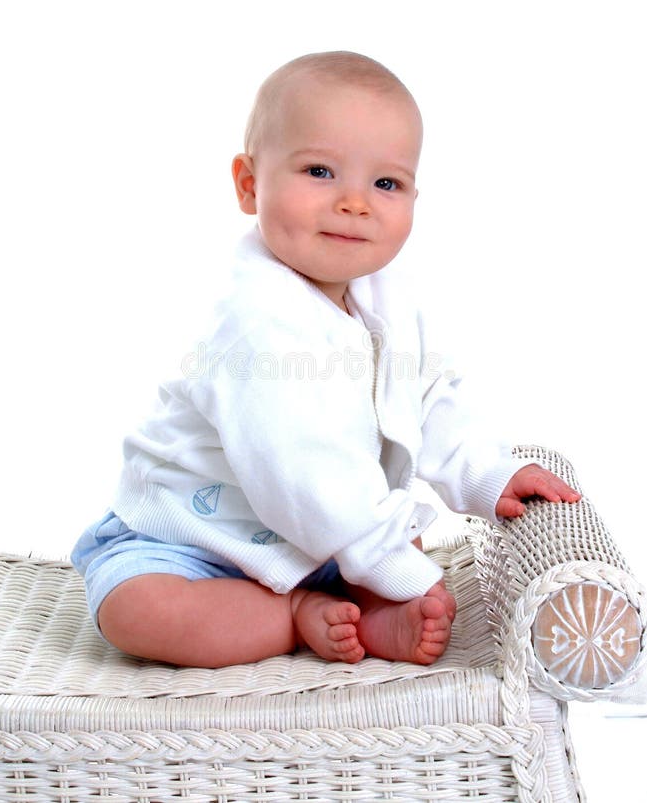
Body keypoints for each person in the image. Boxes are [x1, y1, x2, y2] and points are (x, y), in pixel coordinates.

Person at [72, 51, 580, 669]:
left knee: (386, 529)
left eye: (385, 184)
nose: (355, 203)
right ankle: (290, 616)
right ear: (249, 184)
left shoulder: (387, 295)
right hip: (187, 541)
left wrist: (486, 473)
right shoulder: (256, 319)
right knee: (138, 611)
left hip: (320, 534)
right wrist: (398, 568)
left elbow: (430, 396)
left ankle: (363, 604)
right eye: (319, 171)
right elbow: (304, 467)